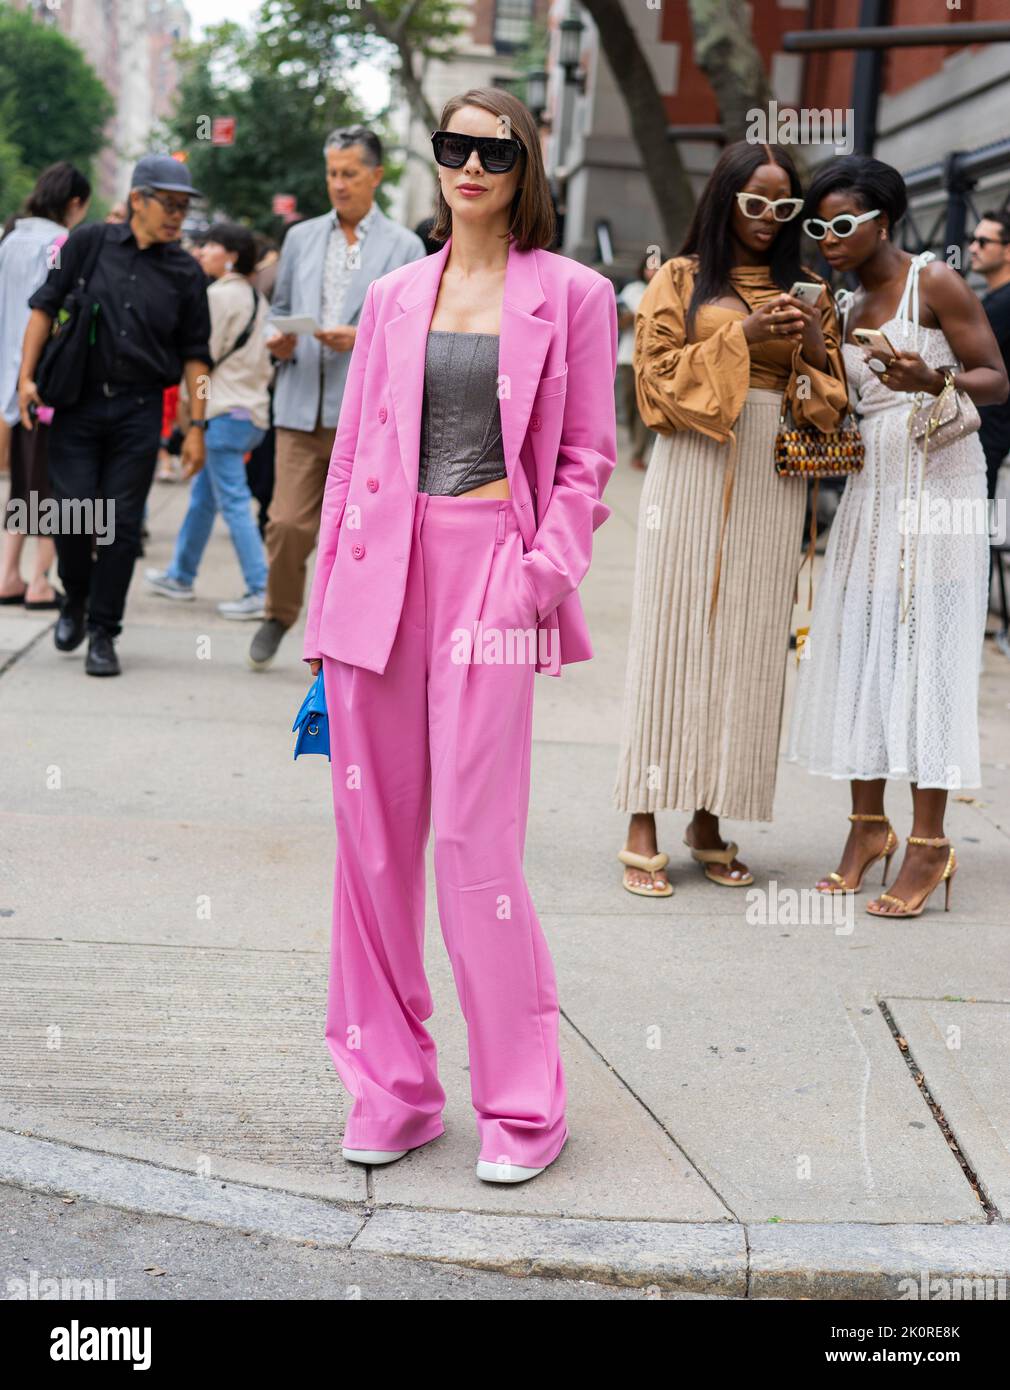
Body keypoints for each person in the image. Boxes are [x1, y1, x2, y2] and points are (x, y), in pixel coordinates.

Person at [302, 88, 617, 1182]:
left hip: (492, 572)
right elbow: (349, 457)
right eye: (452, 146)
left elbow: (586, 460)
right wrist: (322, 607)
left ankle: (525, 1104)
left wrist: (536, 579)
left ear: (525, 162)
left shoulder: (574, 294)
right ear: (431, 160)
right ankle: (390, 1088)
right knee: (371, 849)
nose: (470, 164)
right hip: (372, 584)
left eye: (493, 148)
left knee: (470, 846)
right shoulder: (393, 293)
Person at [612, 141, 848, 897]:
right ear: (725, 200)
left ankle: (710, 818)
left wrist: (810, 339)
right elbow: (655, 388)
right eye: (754, 204)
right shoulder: (679, 279)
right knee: (671, 633)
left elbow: (831, 403)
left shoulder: (812, 288)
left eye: (783, 209)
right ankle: (642, 816)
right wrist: (741, 337)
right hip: (691, 465)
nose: (767, 220)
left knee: (748, 645)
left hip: (772, 478)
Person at [787, 156, 1008, 917]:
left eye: (843, 224)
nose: (828, 238)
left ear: (884, 218)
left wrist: (933, 379)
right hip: (874, 484)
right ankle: (865, 828)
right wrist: (813, 346)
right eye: (817, 226)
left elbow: (996, 377)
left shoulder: (933, 283)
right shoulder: (843, 304)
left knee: (928, 655)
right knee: (863, 648)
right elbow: (844, 405)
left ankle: (930, 841)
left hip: (938, 480)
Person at [17, 154, 211, 677]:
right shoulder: (86, 245)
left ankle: (104, 631)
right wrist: (25, 378)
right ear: (136, 200)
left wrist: (197, 425)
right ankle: (74, 594)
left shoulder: (187, 273)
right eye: (167, 204)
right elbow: (43, 305)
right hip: (77, 405)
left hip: (140, 411)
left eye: (183, 206)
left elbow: (198, 357)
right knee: (75, 515)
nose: (176, 215)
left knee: (122, 528)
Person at [248, 125, 426, 671]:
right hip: (299, 405)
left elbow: (413, 330)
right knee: (288, 523)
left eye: (350, 174)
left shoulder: (405, 247)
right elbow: (278, 309)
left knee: (358, 533)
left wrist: (360, 338)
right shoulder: (301, 237)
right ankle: (279, 613)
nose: (339, 184)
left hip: (369, 416)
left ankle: (338, 639)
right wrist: (278, 340)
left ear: (375, 175)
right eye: (332, 174)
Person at [145, 221, 273, 617]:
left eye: (211, 245)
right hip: (250, 412)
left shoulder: (218, 297)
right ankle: (181, 575)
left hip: (221, 412)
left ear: (231, 255)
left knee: (233, 501)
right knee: (205, 497)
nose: (201, 252)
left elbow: (201, 360)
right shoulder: (256, 299)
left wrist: (190, 409)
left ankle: (260, 589)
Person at [1, 162, 91, 609]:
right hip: (43, 383)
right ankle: (39, 582)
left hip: (10, 385)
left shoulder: (9, 239)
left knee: (24, 482)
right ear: (75, 203)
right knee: (59, 487)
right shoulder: (60, 244)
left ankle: (8, 576)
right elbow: (55, 316)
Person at [968, 211, 1010, 522]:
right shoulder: (993, 300)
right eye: (972, 240)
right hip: (986, 427)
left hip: (990, 428)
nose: (972, 247)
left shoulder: (1003, 304)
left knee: (973, 527)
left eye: (983, 241)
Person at [616, 252, 658, 470]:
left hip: (653, 358)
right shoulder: (632, 291)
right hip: (627, 357)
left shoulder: (666, 291)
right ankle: (636, 443)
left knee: (645, 406)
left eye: (657, 267)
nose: (653, 271)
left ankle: (638, 452)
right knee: (629, 404)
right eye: (650, 266)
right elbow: (619, 320)